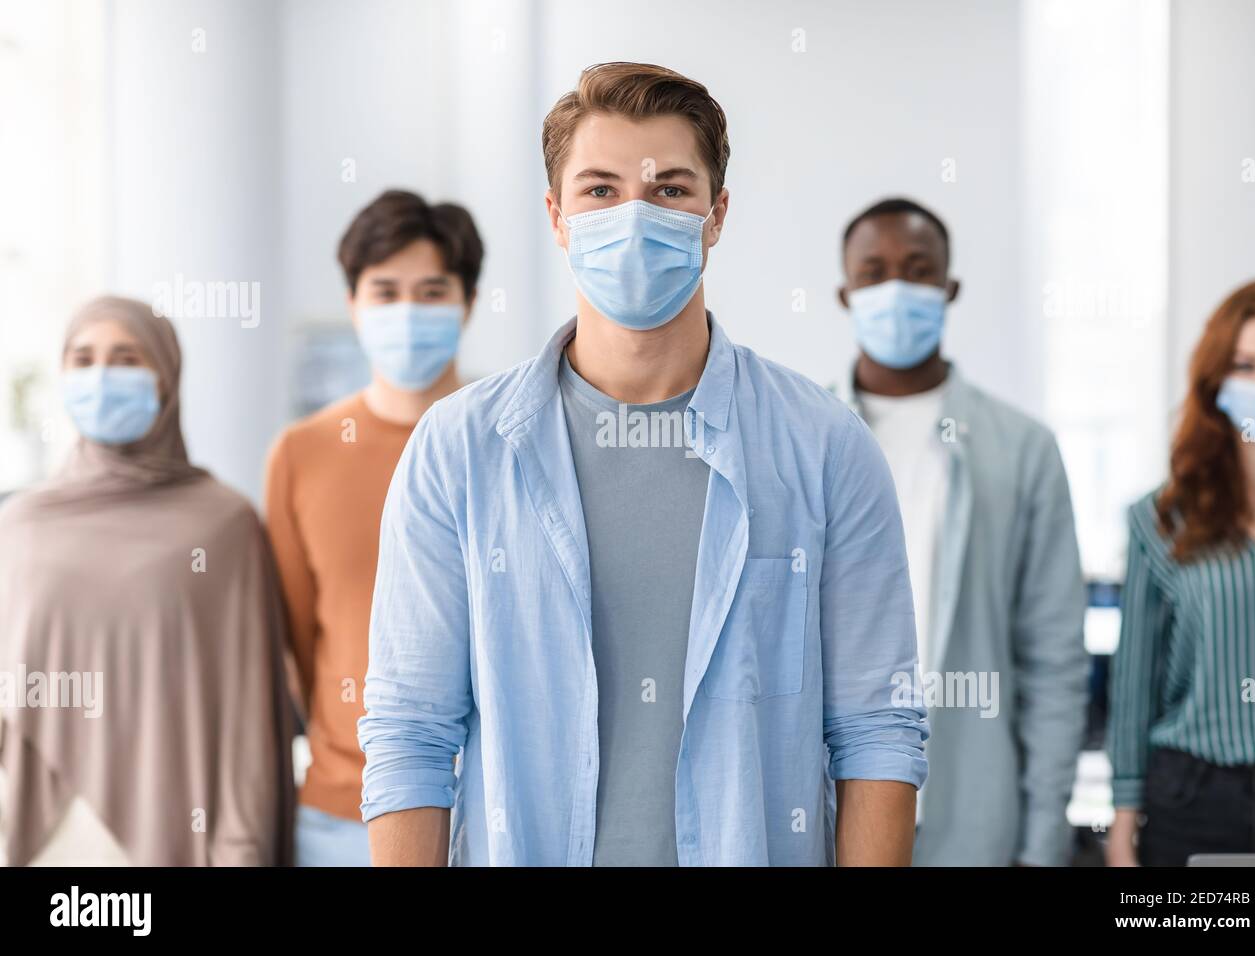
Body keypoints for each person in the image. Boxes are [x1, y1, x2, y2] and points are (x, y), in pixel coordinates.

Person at [358, 61, 928, 867]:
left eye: (669, 190)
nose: (633, 215)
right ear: (556, 217)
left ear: (716, 214)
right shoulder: (458, 453)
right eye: (599, 190)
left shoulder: (825, 448)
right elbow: (411, 730)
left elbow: (878, 730)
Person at [832, 198, 1089, 865]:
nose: (896, 288)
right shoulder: (801, 439)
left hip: (974, 814)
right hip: (828, 808)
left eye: (918, 271)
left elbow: (1054, 661)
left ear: (949, 288)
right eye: (874, 271)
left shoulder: (1022, 449)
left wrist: (1041, 844)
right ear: (844, 293)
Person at [0, 296, 295, 866]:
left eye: (127, 357)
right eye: (82, 359)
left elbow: (249, 711)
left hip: (183, 837)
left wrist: (242, 846)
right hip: (42, 832)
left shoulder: (224, 525)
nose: (102, 375)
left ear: (167, 376)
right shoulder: (20, 526)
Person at [263, 191, 483, 866]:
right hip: (342, 815)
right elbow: (297, 644)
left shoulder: (508, 437)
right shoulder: (304, 453)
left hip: (494, 805)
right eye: (384, 291)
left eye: (432, 291)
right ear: (354, 303)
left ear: (468, 303)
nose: (408, 312)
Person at [1106, 278, 1255, 866]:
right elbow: (1134, 680)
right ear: (1216, 379)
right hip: (1194, 802)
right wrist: (1122, 820)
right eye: (1247, 365)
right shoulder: (1161, 518)